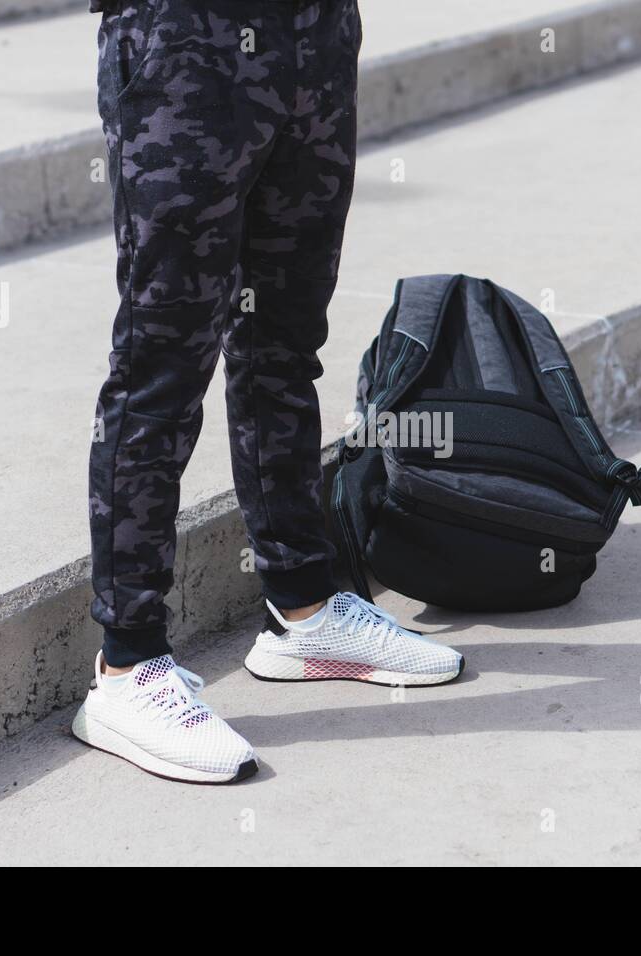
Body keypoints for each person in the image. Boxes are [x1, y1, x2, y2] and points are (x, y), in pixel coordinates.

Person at [72, 0, 465, 783]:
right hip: (185, 40)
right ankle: (127, 665)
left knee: (283, 342)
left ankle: (303, 608)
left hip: (312, 34)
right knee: (162, 362)